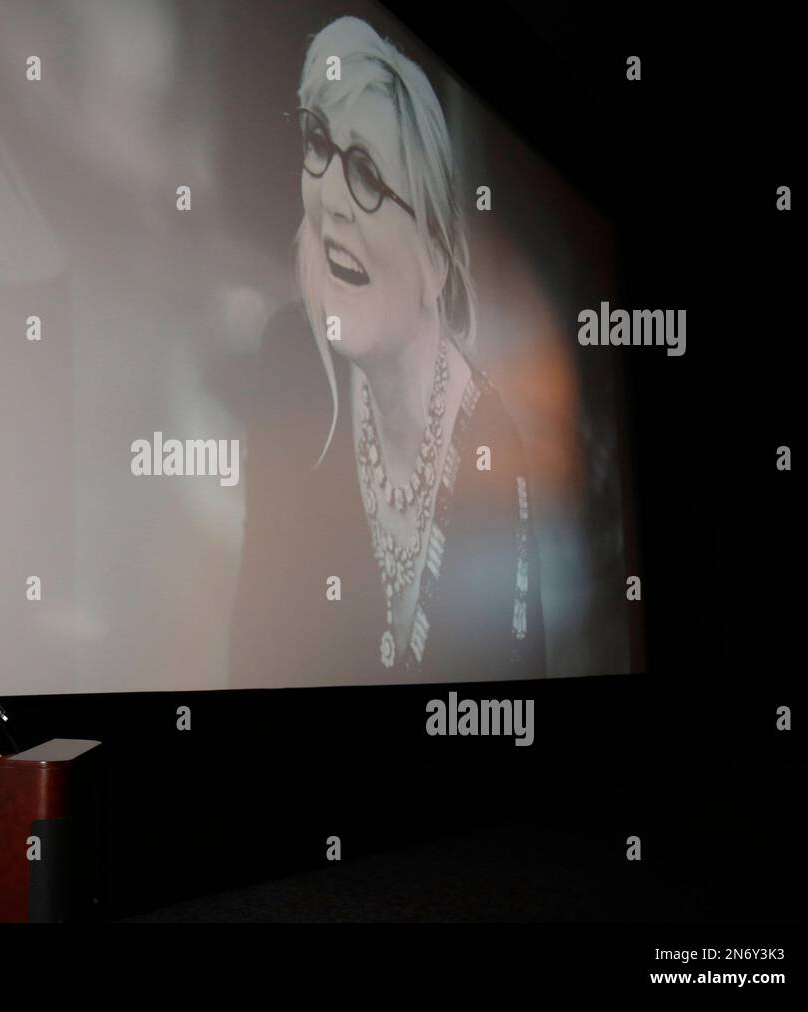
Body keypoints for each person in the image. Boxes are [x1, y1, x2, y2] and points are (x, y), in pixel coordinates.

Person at [229, 17, 545, 686]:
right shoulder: (289, 358)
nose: (330, 199)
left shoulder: (491, 448)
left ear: (436, 258)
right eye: (320, 144)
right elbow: (254, 650)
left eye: (368, 175)